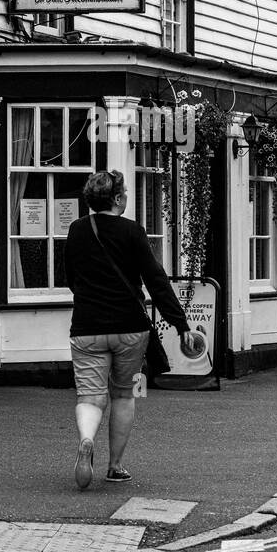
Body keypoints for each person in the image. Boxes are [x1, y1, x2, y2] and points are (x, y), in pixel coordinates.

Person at [63, 170, 192, 490]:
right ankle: (116, 466)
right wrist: (180, 323)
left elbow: (70, 279)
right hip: (131, 330)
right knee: (124, 395)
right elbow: (156, 281)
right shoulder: (134, 232)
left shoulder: (77, 230)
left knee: (90, 396)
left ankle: (87, 440)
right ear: (118, 199)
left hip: (87, 328)